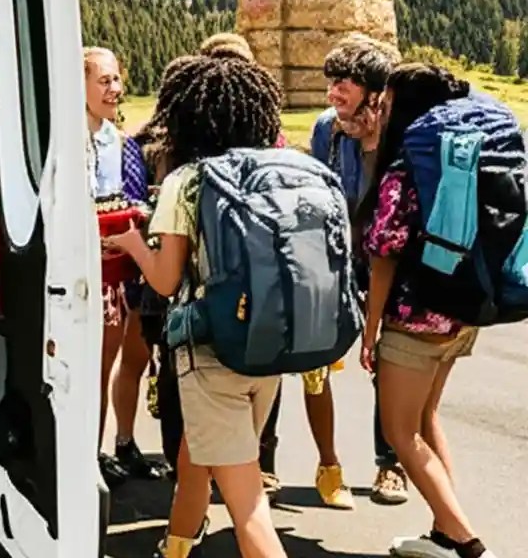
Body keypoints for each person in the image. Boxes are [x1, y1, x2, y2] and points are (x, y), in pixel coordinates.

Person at [106, 54, 288, 558]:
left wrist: (132, 244)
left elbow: (165, 281)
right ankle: (177, 547)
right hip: (269, 347)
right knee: (197, 456)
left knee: (246, 504)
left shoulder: (188, 180)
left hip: (211, 353)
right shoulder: (275, 169)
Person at [357, 63, 499, 558]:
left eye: (386, 101)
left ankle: (466, 542)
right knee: (425, 416)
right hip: (460, 312)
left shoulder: (405, 170)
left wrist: (370, 329)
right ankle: (444, 528)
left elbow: (383, 254)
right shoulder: (464, 160)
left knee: (400, 433)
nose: (381, 109)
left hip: (413, 318)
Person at [305, 33, 408, 507]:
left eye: (344, 83)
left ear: (374, 90)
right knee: (312, 357)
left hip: (390, 264)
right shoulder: (328, 129)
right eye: (332, 83)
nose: (333, 94)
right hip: (337, 262)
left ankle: (391, 465)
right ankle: (312, 462)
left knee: (387, 366)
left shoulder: (402, 134)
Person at [84, 46, 167, 487]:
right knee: (91, 368)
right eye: (103, 81)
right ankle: (85, 453)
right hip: (88, 274)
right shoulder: (67, 141)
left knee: (117, 362)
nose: (114, 89)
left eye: (117, 79)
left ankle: (108, 447)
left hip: (120, 272)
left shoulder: (120, 143)